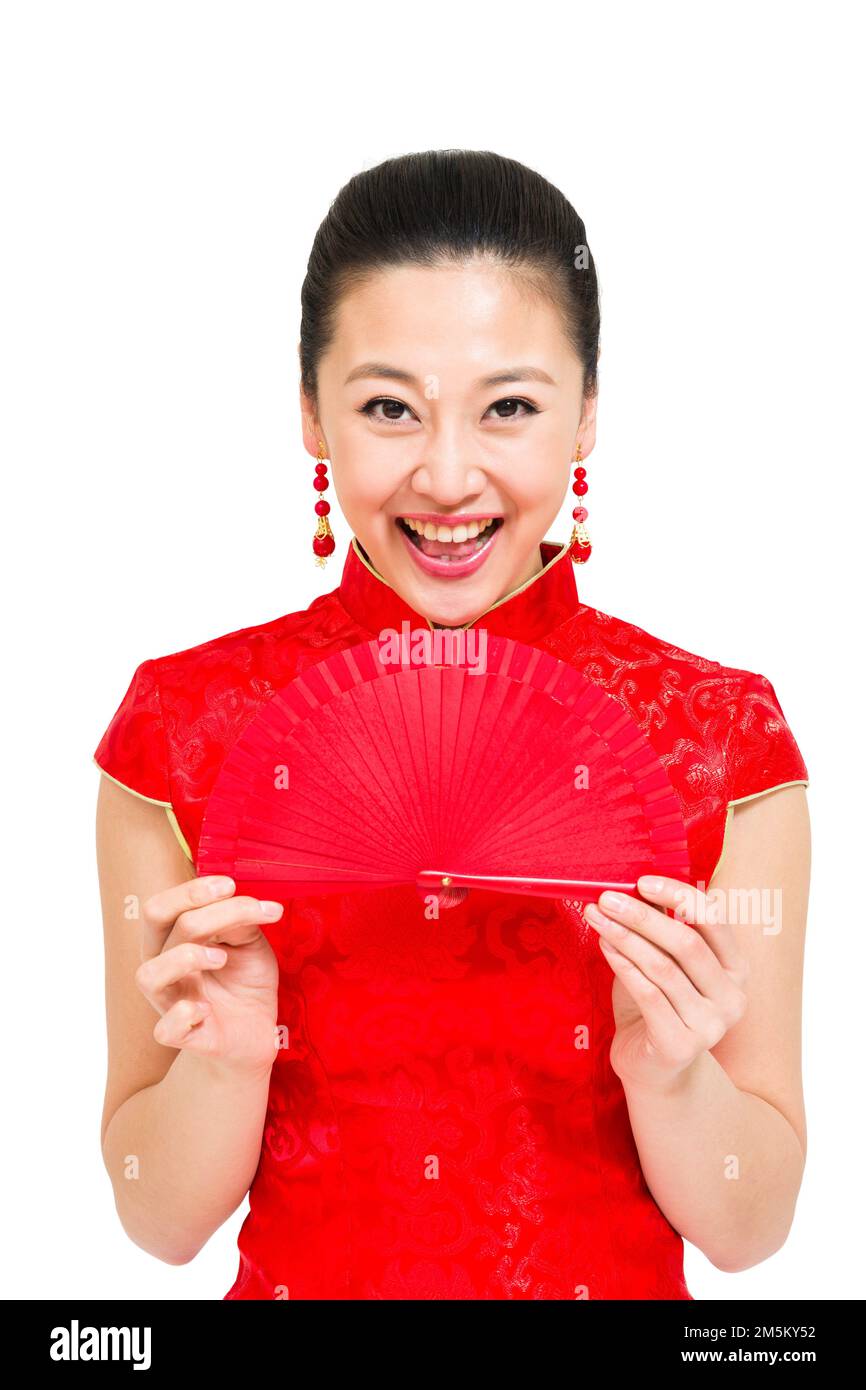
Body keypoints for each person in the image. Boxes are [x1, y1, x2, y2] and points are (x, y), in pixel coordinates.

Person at [93, 149, 810, 1300]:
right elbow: (156, 1216)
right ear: (309, 417)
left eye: (509, 408)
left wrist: (669, 1075)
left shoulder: (721, 740)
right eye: (387, 407)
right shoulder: (179, 732)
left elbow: (752, 1224)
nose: (444, 473)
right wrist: (225, 1062)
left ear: (585, 419)